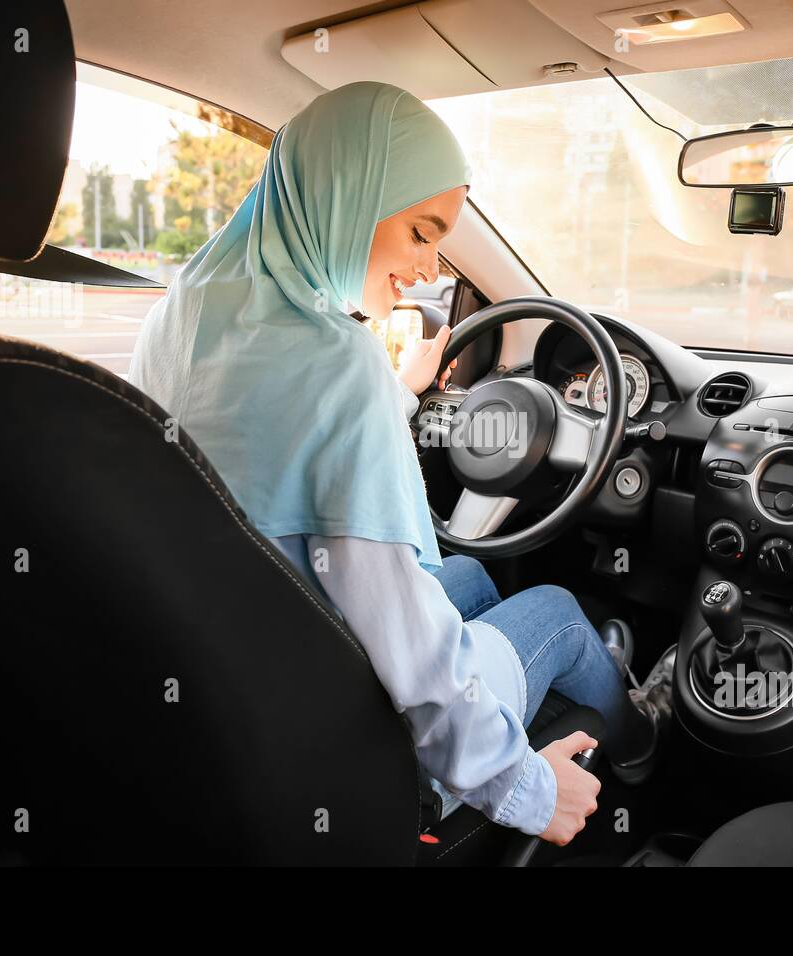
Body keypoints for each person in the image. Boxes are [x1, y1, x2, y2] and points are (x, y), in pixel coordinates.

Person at [129, 81, 672, 846]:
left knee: (477, 579)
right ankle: (648, 744)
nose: (429, 268)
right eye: (422, 231)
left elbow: (280, 443)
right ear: (350, 197)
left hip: (238, 673)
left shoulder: (183, 310)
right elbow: (407, 638)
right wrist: (525, 786)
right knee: (556, 612)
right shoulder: (337, 365)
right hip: (338, 727)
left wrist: (399, 396)